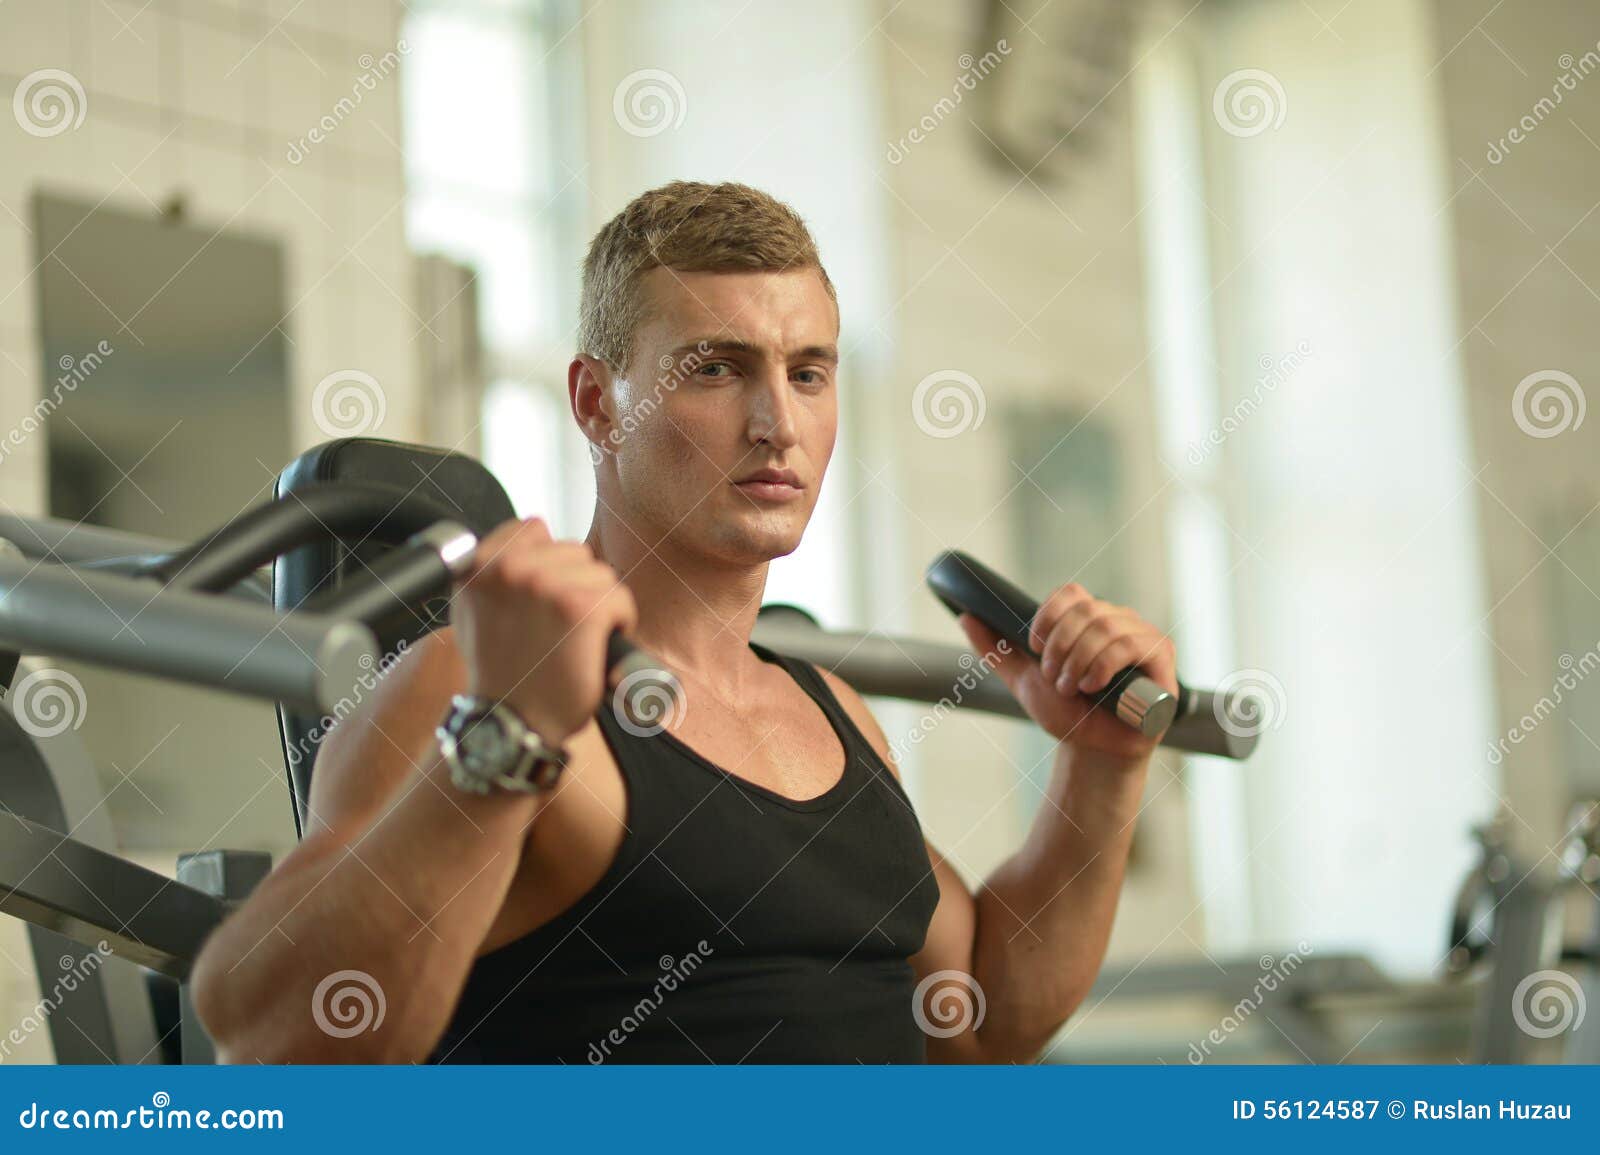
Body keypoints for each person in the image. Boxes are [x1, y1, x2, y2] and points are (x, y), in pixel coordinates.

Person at [190, 180, 1179, 1064]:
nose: (776, 423)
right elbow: (275, 1045)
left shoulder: (829, 711)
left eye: (807, 373)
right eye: (715, 368)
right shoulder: (468, 685)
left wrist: (1103, 766)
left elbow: (982, 1021)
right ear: (594, 401)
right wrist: (510, 735)